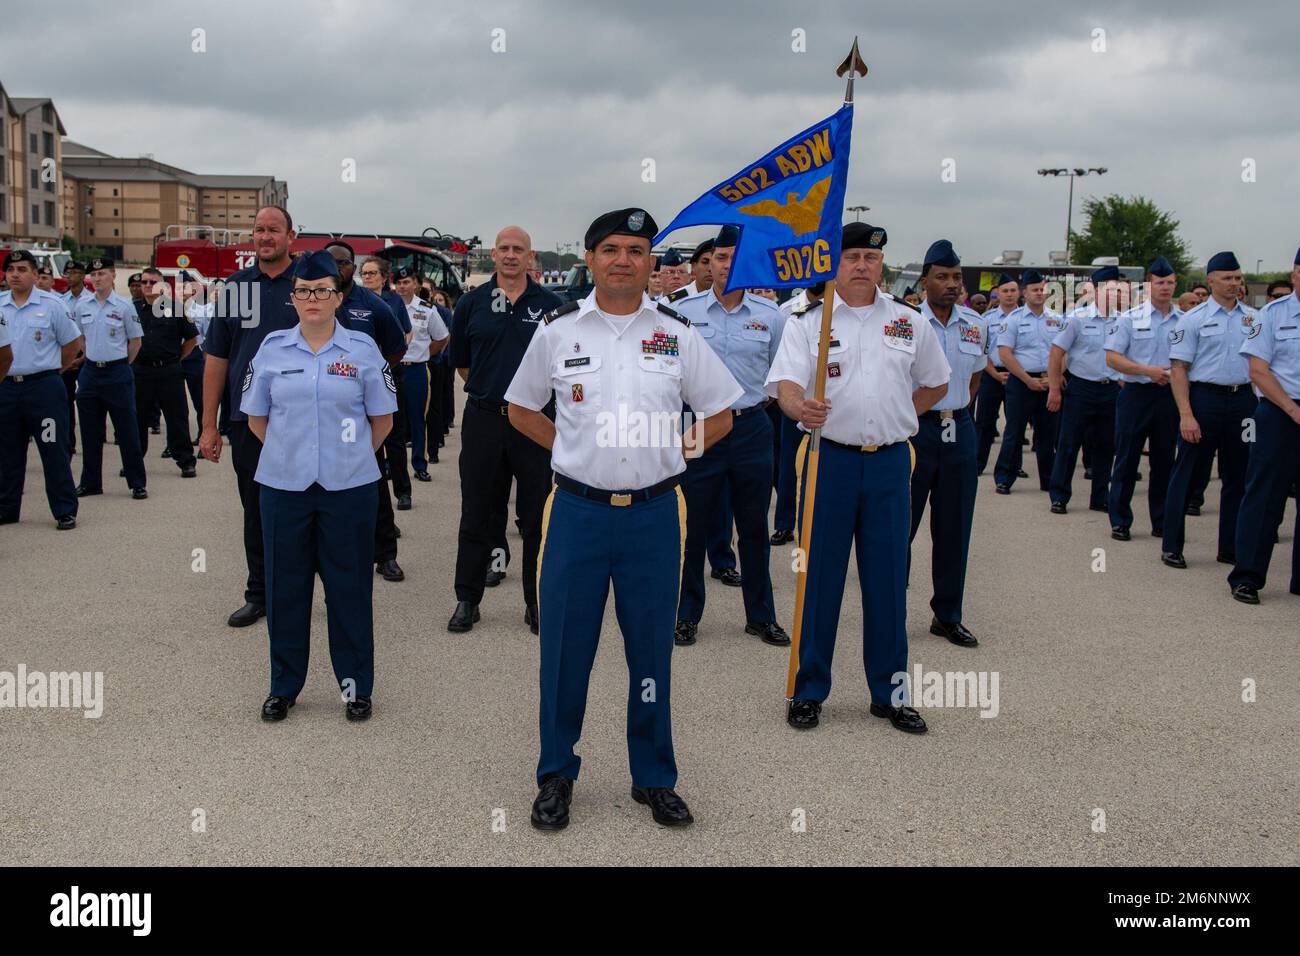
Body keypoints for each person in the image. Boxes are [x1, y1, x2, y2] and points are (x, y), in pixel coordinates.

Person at [505, 207, 741, 830]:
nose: (622, 260)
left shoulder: (677, 333)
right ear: (589, 260)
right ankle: (556, 772)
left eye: (636, 251)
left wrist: (680, 449)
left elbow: (720, 411)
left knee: (650, 654)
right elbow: (519, 408)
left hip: (654, 515)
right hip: (577, 513)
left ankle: (654, 777)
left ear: (650, 263)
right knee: (564, 650)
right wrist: (568, 445)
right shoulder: (558, 331)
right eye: (609, 249)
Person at [767, 223, 950, 734]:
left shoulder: (908, 322)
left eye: (871, 256)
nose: (863, 265)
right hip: (831, 460)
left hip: (890, 462)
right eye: (852, 256)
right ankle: (808, 690)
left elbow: (936, 382)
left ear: (882, 264)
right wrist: (799, 406)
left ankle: (890, 694)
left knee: (889, 579)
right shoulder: (809, 322)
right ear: (833, 263)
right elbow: (783, 384)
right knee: (819, 578)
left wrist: (900, 415)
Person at [242, 250, 397, 722]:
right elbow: (256, 418)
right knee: (285, 588)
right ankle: (283, 687)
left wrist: (343, 459)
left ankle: (355, 688)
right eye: (305, 291)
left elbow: (382, 420)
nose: (314, 299)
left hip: (348, 490)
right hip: (284, 488)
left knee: (349, 588)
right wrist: (295, 454)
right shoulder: (271, 349)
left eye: (323, 291)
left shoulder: (362, 351)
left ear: (338, 297)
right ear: (294, 298)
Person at [671, 225, 789, 648]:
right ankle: (686, 615)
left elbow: (779, 379)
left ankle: (761, 616)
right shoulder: (683, 312)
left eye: (736, 258)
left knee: (754, 526)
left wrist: (749, 410)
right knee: (693, 525)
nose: (727, 265)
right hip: (699, 425)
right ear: (710, 263)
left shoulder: (770, 317)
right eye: (720, 258)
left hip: (751, 427)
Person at [447, 226, 562, 634]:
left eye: (520, 250)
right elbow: (463, 364)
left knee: (536, 517)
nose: (512, 255)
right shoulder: (472, 303)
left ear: (531, 258)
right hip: (484, 420)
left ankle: (536, 602)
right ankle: (467, 598)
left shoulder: (552, 306)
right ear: (493, 255)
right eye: (505, 249)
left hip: (533, 423)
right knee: (476, 511)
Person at [200, 205, 303, 628]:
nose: (265, 237)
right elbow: (217, 358)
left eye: (273, 230)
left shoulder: (309, 285)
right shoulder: (236, 289)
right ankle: (259, 592)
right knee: (257, 509)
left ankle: (301, 592)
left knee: (304, 508)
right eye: (258, 230)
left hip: (302, 419)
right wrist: (209, 424)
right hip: (248, 420)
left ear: (291, 236)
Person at [909, 240, 985, 648]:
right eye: (942, 277)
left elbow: (973, 379)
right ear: (925, 282)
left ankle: (948, 614)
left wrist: (957, 409)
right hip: (914, 430)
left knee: (954, 526)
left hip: (959, 428)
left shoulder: (975, 323)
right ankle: (890, 611)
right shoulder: (905, 322)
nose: (952, 284)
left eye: (957, 277)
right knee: (900, 525)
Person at [1160, 251, 1258, 569]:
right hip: (1204, 400)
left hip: (1243, 401)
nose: (1234, 283)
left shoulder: (1255, 319)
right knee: (1187, 474)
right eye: (1227, 278)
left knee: (1238, 477)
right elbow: (1178, 369)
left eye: (1237, 278)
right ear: (1211, 280)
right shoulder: (1192, 319)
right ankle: (1172, 545)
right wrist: (1186, 414)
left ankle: (1229, 547)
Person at [323, 241, 409, 583]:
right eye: (329, 262)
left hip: (359, 413)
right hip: (321, 410)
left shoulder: (372, 305)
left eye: (341, 262)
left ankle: (385, 554)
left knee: (371, 481)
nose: (335, 268)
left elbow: (395, 349)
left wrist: (370, 381)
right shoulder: (312, 302)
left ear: (352, 267)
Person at [1227, 249, 1300, 603]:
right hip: (1278, 412)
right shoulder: (1270, 316)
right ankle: (1247, 577)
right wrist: (1291, 409)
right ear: (1295, 275)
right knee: (1265, 495)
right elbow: (1258, 370)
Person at [0, 250, 83, 529]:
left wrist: (52, 370)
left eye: (22, 269)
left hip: (43, 390)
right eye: (11, 269)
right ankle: (7, 508)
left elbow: (72, 345)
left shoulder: (52, 305)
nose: (15, 274)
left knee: (52, 447)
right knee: (8, 451)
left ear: (35, 275)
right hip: (8, 389)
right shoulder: (0, 305)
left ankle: (64, 509)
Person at [1105, 256, 1182, 540]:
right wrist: (1145, 370)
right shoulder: (1130, 319)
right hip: (1136, 395)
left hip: (1169, 397)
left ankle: (1161, 520)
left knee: (1164, 461)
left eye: (1170, 283)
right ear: (1150, 285)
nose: (1165, 287)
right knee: (1127, 458)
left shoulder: (1184, 321)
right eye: (1160, 282)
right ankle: (1120, 520)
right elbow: (1112, 358)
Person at [1046, 265, 1124, 514]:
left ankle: (1100, 496)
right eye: (1111, 289)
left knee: (1105, 445)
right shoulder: (1077, 318)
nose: (1116, 294)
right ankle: (1059, 495)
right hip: (1081, 389)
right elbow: (1056, 353)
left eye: (1119, 289)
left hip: (1110, 390)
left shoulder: (1125, 320)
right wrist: (1055, 389)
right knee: (1069, 444)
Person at [71, 257, 148, 500]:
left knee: (127, 430)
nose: (97, 279)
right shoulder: (82, 306)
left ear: (113, 276)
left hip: (117, 372)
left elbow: (135, 342)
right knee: (90, 432)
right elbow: (80, 338)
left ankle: (137, 482)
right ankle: (91, 482)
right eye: (93, 275)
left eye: (102, 274)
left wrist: (121, 365)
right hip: (91, 373)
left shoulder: (124, 306)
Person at [993, 269, 1061, 493]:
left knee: (1047, 434)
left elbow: (1064, 352)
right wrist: (1027, 379)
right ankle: (1004, 477)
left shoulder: (1056, 319)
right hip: (1021, 383)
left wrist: (1053, 378)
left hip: (1047, 382)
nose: (1040, 294)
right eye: (1035, 290)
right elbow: (1005, 354)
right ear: (1025, 293)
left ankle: (1048, 479)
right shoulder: (1014, 319)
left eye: (1042, 290)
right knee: (1014, 431)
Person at [131, 267, 199, 478]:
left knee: (177, 418)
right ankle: (133, 462)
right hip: (141, 371)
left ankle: (186, 461)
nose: (148, 286)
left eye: (153, 282)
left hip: (169, 371)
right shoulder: (131, 309)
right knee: (137, 419)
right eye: (144, 282)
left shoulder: (177, 309)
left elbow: (191, 339)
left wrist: (177, 358)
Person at [359, 256, 413, 511]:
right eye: (365, 273)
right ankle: (379, 507)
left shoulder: (394, 302)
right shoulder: (353, 300)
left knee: (395, 437)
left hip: (391, 374)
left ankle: (403, 491)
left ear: (383, 277)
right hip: (362, 380)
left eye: (372, 273)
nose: (368, 277)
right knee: (372, 441)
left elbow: (405, 334)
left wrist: (383, 367)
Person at [394, 266, 449, 482]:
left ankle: (419, 464)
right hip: (393, 368)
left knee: (418, 419)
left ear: (416, 284)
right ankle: (392, 464)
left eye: (406, 282)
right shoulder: (389, 306)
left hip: (416, 369)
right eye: (398, 283)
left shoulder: (427, 309)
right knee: (391, 418)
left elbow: (442, 336)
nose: (402, 286)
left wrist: (426, 353)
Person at [974, 272, 1020, 474]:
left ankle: (1012, 466)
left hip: (1018, 376)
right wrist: (994, 374)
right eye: (1005, 291)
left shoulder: (1025, 317)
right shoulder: (987, 319)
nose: (1009, 295)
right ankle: (977, 464)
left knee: (1015, 425)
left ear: (1019, 293)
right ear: (997, 294)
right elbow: (981, 350)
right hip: (991, 374)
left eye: (1012, 290)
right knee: (984, 422)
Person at [59, 260, 93, 455]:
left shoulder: (91, 299)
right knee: (66, 400)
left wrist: (84, 356)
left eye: (74, 272)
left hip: (87, 354)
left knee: (89, 399)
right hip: (68, 356)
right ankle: (69, 441)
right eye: (68, 272)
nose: (70, 276)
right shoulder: (61, 301)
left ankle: (98, 435)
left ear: (82, 275)